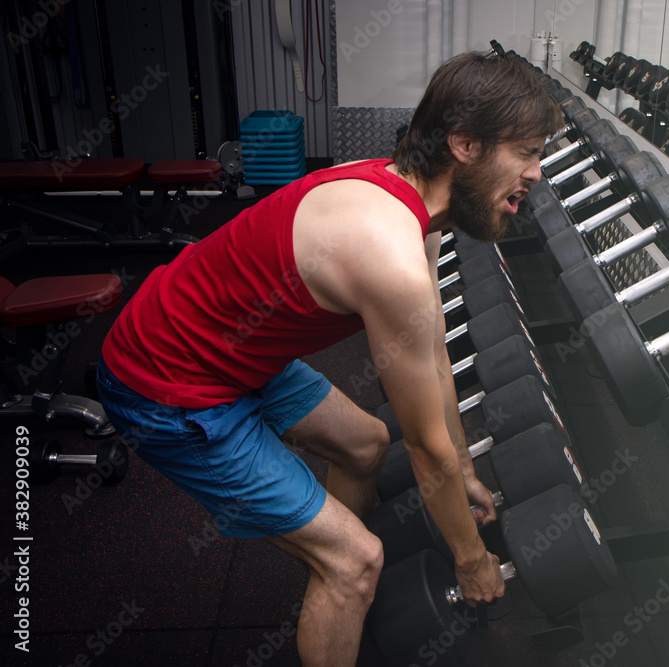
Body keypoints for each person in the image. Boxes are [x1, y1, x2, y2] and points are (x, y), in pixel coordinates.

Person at [95, 50, 562, 666]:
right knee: (356, 560)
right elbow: (424, 449)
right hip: (164, 382)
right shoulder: (389, 255)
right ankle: (341, 571)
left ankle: (333, 576)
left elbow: (435, 358)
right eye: (526, 152)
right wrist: (471, 559)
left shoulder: (408, 202)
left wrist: (467, 472)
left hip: (227, 349)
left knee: (367, 444)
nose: (536, 172)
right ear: (466, 144)